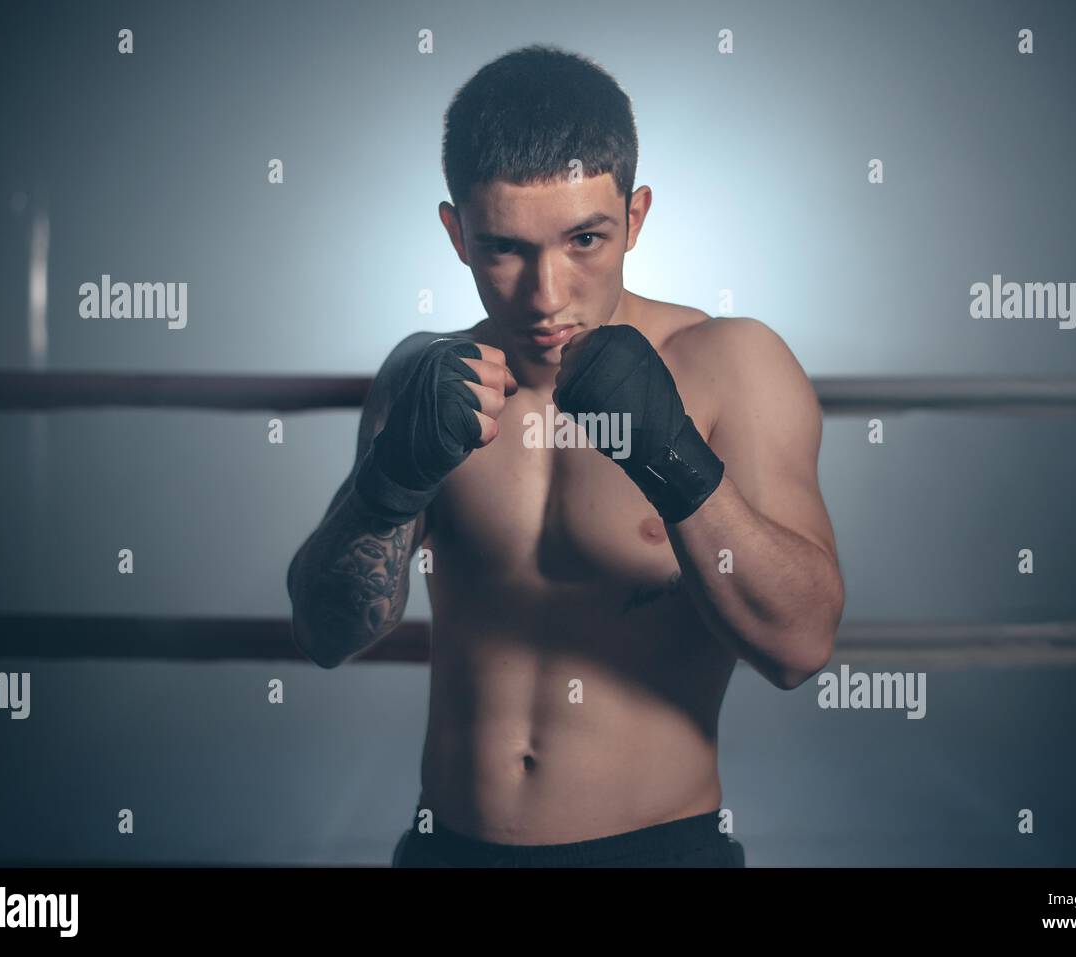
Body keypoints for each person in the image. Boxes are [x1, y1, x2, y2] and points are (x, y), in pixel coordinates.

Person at [286, 44, 844, 867]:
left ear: (637, 216)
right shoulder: (426, 375)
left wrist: (671, 458)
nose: (547, 296)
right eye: (504, 248)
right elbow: (329, 630)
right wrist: (388, 483)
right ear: (456, 233)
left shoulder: (732, 364)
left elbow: (799, 647)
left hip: (654, 848)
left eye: (585, 238)